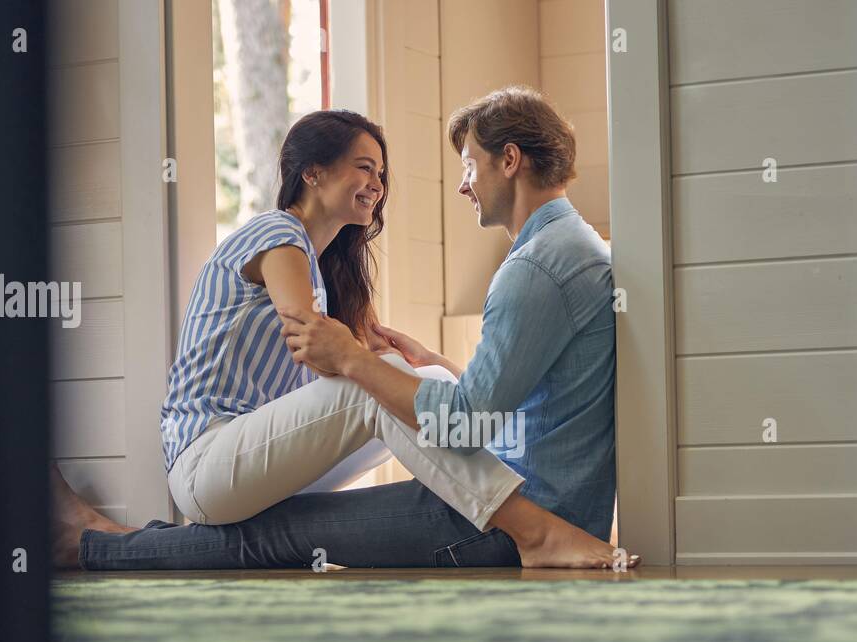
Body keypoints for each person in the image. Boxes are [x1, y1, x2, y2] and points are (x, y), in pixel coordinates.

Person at [55, 88, 633, 570]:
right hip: (208, 457)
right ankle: (99, 544)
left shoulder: (535, 264)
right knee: (376, 388)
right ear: (313, 172)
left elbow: (456, 412)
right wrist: (372, 360)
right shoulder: (277, 237)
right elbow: (313, 337)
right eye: (366, 168)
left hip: (260, 462)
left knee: (377, 393)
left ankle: (103, 541)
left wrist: (376, 359)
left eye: (468, 166)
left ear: (509, 161)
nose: (462, 185)